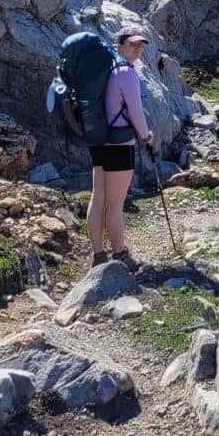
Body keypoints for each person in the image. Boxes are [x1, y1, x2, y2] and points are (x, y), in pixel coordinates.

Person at [88, 26, 155, 269]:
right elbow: (136, 111)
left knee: (98, 199)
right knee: (115, 203)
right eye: (132, 43)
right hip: (119, 141)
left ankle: (98, 256)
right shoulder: (126, 72)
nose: (137, 47)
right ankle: (120, 254)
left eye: (141, 44)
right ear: (120, 44)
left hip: (98, 139)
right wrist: (147, 136)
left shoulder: (106, 68)